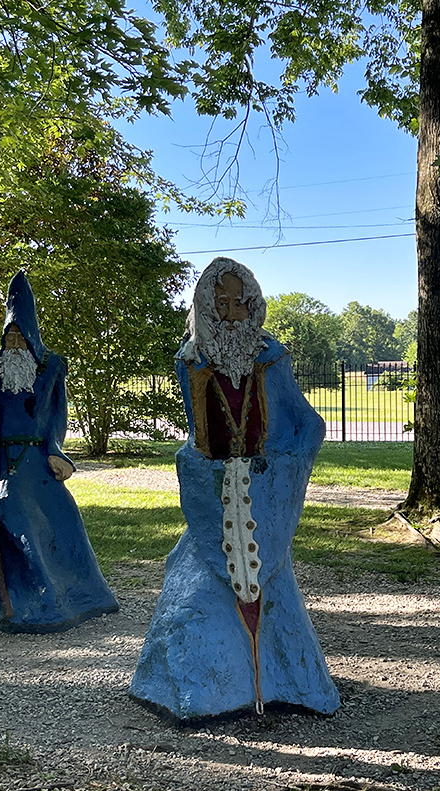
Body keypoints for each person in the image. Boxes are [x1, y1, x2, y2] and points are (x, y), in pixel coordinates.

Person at [130, 257, 340, 719]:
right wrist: (201, 467)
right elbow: (197, 437)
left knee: (271, 588)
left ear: (254, 307)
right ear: (205, 307)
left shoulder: (272, 357)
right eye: (219, 304)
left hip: (263, 496)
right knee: (200, 596)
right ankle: (206, 690)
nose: (229, 315)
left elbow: (306, 423)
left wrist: (285, 464)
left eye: (238, 304)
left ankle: (283, 683)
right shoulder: (193, 362)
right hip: (215, 497)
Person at [0, 271, 119, 632]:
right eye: (8, 335)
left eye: (20, 335)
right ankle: (1, 600)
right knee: (8, 517)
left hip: (37, 464)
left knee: (62, 518)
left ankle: (75, 593)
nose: (14, 342)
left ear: (31, 336)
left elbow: (56, 417)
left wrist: (57, 451)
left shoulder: (50, 368)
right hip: (0, 465)